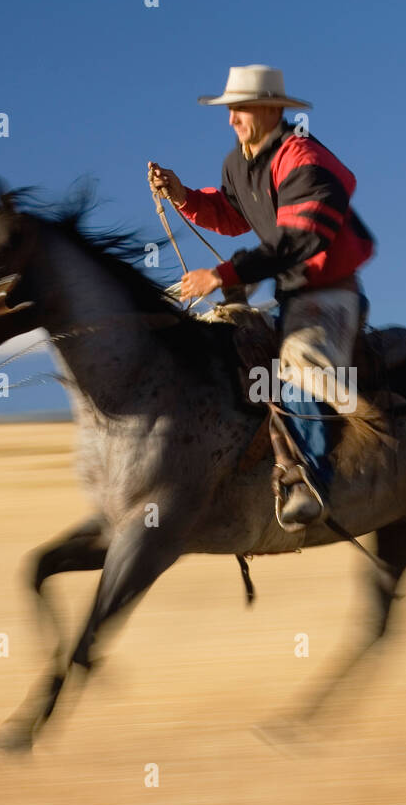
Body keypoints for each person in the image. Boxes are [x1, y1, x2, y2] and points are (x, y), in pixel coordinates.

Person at [148, 64, 375, 527]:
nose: (232, 119)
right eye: (230, 110)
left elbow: (299, 240)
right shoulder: (239, 162)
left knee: (302, 365)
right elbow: (232, 214)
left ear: (272, 110)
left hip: (329, 294)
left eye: (243, 110)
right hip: (291, 295)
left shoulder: (308, 162)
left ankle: (312, 482)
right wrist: (182, 194)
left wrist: (221, 274)